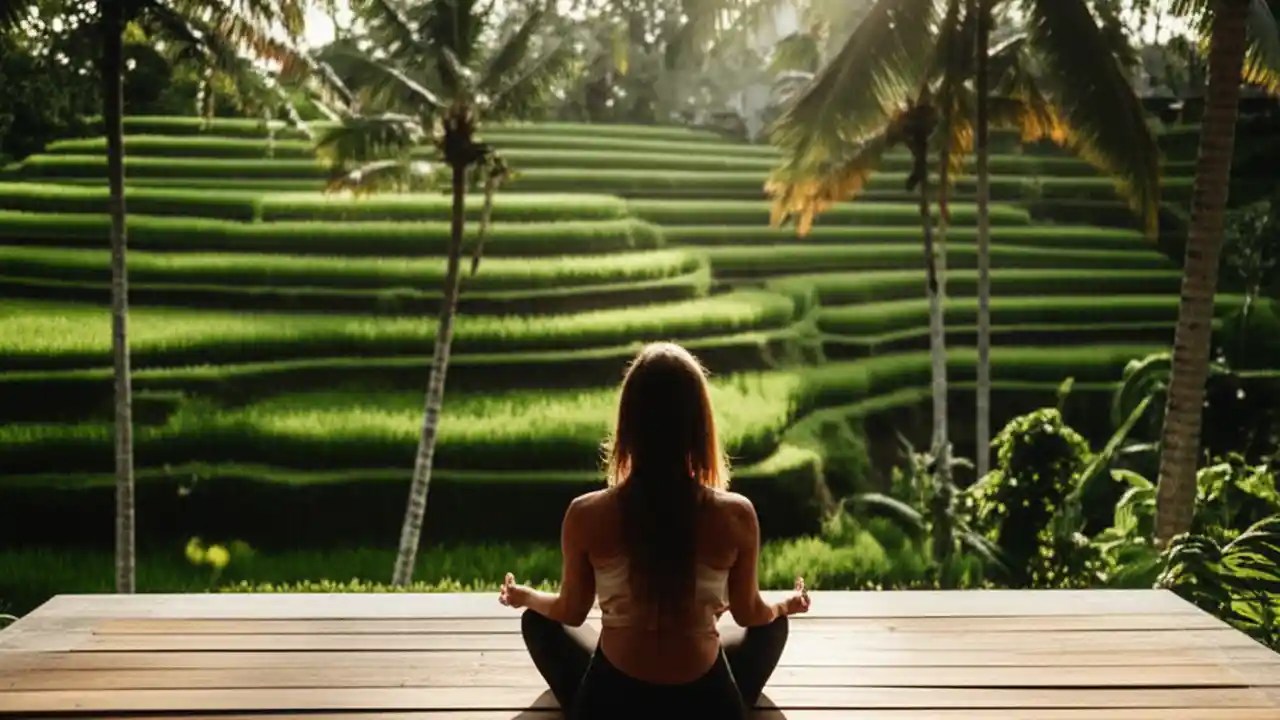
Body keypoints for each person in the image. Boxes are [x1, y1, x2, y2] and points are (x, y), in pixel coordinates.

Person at [498, 342, 811, 719]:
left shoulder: (586, 513)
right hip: (709, 707)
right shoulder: (736, 515)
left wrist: (527, 597)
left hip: (610, 705)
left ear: (628, 425)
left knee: (538, 623)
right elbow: (749, 614)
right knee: (771, 629)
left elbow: (571, 610)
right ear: (699, 426)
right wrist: (784, 606)